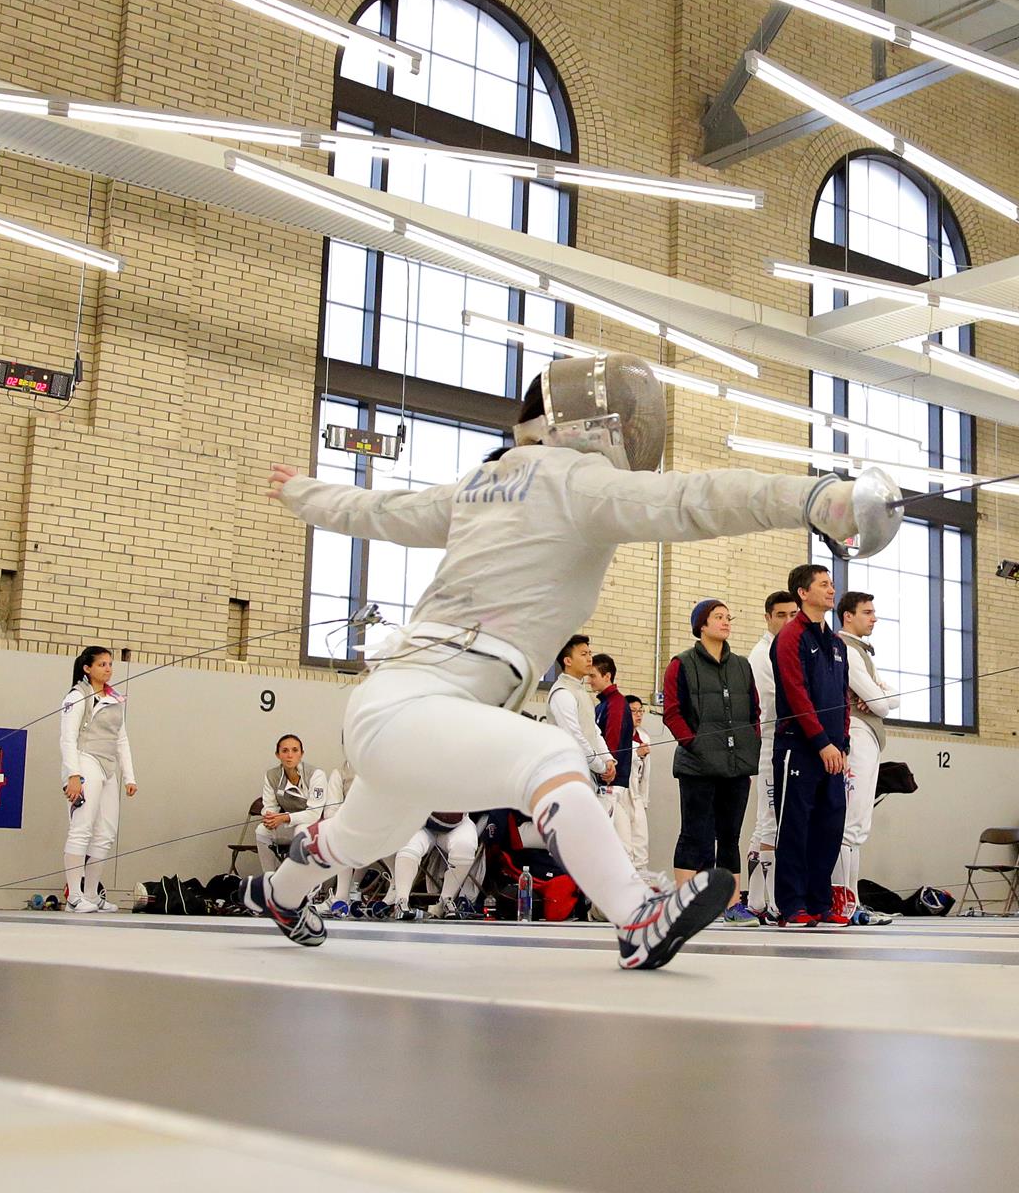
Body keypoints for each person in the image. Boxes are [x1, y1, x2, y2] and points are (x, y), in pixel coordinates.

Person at [245, 352, 897, 970]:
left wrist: (302, 492)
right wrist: (817, 497)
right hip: (415, 704)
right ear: (583, 422)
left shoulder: (484, 481)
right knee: (552, 755)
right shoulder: (575, 479)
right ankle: (636, 917)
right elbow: (694, 498)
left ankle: (280, 893)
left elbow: (380, 510)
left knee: (360, 836)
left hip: (404, 712)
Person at [662, 599, 760, 925]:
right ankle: (684, 905)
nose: (725, 621)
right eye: (718, 617)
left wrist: (749, 748)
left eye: (728, 617)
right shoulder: (681, 664)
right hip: (697, 765)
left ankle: (733, 905)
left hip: (736, 766)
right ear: (701, 625)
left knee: (730, 837)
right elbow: (672, 712)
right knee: (694, 835)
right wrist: (695, 744)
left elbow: (754, 713)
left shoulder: (742, 666)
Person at [770, 563, 851, 928]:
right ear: (803, 593)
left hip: (833, 753)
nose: (831, 590)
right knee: (796, 827)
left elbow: (843, 698)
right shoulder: (790, 636)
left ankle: (820, 903)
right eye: (823, 584)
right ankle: (791, 904)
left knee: (829, 827)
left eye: (831, 584)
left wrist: (842, 744)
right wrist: (820, 742)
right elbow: (796, 693)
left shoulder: (836, 643)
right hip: (799, 748)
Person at [59, 646, 137, 913]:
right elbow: (67, 739)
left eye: (110, 664)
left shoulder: (115, 698)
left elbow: (121, 740)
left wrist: (129, 776)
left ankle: (91, 894)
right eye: (102, 664)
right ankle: (74, 896)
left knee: (105, 833)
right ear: (87, 668)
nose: (108, 669)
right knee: (81, 828)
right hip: (85, 762)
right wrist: (73, 775)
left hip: (108, 768)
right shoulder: (76, 696)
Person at [834, 590, 897, 925]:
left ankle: (852, 902)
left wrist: (879, 696)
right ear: (848, 616)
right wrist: (878, 697)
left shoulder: (860, 651)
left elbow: (892, 698)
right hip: (857, 736)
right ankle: (844, 903)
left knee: (858, 827)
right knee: (851, 824)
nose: (874, 618)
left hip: (868, 737)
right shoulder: (846, 649)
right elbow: (882, 705)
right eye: (867, 612)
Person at [255, 734, 356, 916]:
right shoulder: (272, 776)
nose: (289, 755)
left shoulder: (316, 775)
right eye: (285, 751)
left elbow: (314, 813)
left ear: (301, 754)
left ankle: (303, 890)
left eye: (294, 750)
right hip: (288, 824)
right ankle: (271, 887)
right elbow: (269, 806)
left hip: (313, 827)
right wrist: (269, 816)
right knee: (261, 831)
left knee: (302, 831)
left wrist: (284, 818)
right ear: (278, 754)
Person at [745, 590, 800, 920]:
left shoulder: (788, 650)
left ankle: (757, 901)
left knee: (766, 822)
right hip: (769, 743)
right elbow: (778, 701)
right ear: (768, 617)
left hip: (786, 744)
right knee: (770, 821)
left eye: (793, 615)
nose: (788, 621)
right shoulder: (762, 654)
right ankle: (775, 900)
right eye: (781, 615)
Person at [547, 636, 612, 799]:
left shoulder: (581, 691)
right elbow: (575, 737)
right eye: (583, 654)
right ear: (568, 661)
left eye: (590, 653)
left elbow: (593, 731)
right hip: (566, 775)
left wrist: (608, 759)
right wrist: (601, 766)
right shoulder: (562, 693)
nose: (590, 658)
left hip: (585, 772)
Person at [385, 812, 478, 918]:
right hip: (418, 821)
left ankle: (446, 901)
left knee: (465, 845)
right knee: (410, 847)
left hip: (456, 822)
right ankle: (401, 901)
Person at [588, 652, 637, 853]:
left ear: (607, 676)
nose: (589, 680)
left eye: (593, 676)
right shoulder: (603, 705)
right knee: (619, 843)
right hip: (609, 782)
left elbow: (612, 743)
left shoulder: (615, 703)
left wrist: (607, 768)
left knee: (612, 843)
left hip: (612, 783)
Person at [625, 695, 656, 880]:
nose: (638, 715)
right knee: (624, 843)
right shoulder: (617, 734)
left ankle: (642, 883)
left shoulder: (644, 737)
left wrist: (644, 799)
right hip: (620, 794)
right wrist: (636, 753)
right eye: (633, 711)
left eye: (640, 711)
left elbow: (646, 774)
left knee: (641, 840)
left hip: (636, 794)